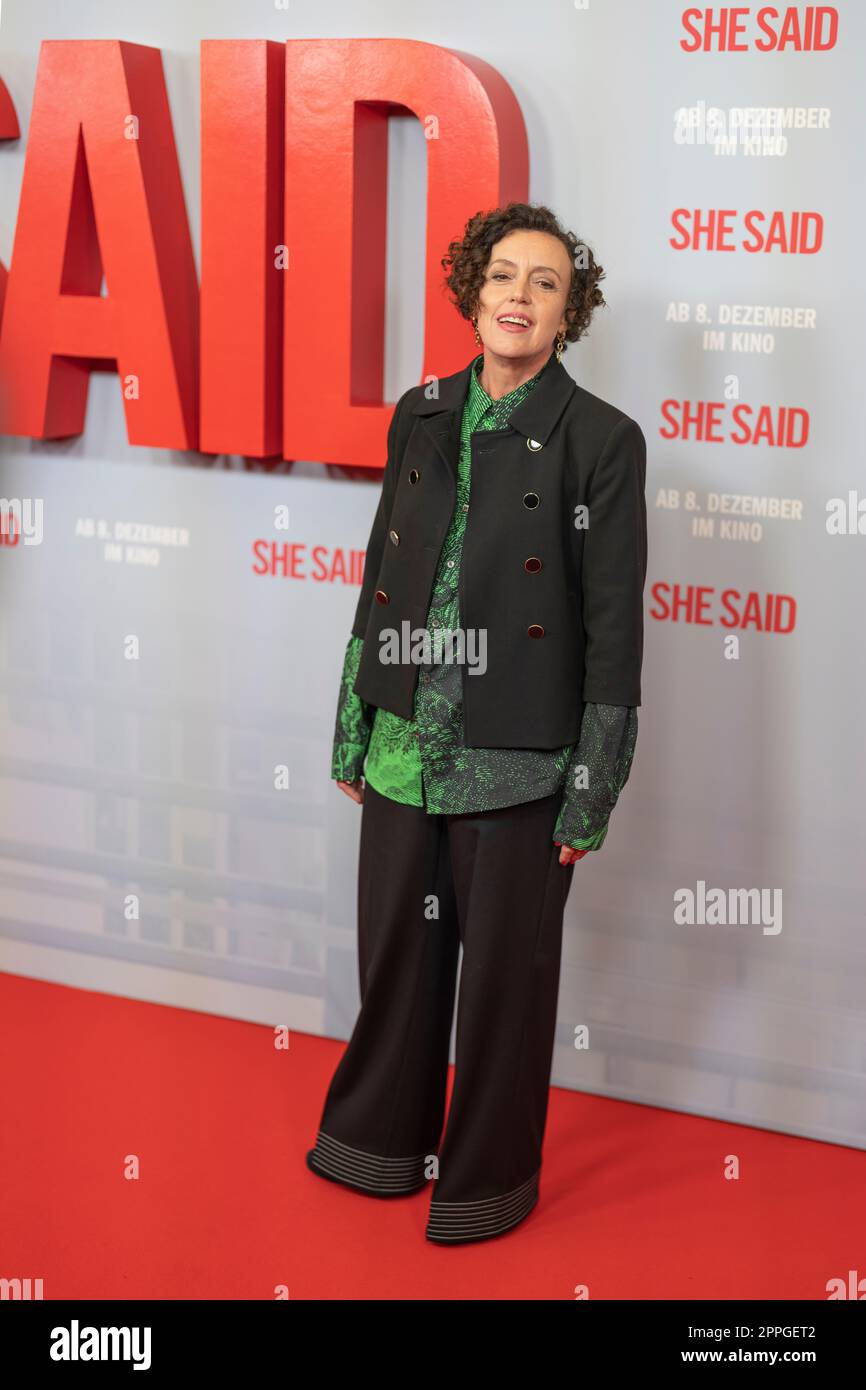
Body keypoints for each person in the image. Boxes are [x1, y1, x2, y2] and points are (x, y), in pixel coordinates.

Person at [307, 201, 648, 1244]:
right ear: (472, 289)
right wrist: (355, 724)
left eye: (543, 282)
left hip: (520, 758)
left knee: (502, 986)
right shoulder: (419, 410)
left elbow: (611, 629)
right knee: (398, 965)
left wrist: (592, 784)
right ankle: (376, 1140)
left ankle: (484, 1179)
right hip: (409, 739)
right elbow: (381, 576)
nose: (518, 295)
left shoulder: (598, 440)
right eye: (503, 274)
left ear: (566, 311)